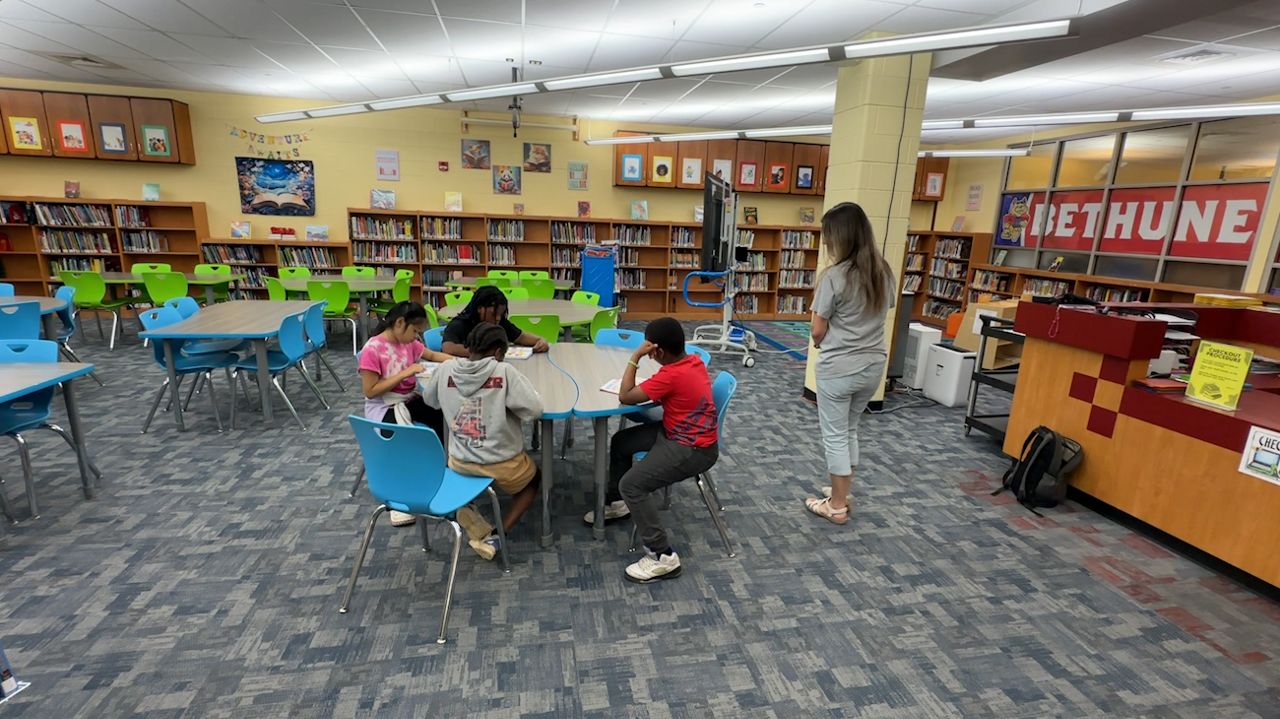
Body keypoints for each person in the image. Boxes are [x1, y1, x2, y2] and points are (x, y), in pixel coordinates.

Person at [585, 317, 718, 584]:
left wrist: (634, 357)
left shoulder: (670, 375)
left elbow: (625, 395)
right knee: (622, 442)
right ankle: (618, 504)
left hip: (691, 447)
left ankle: (662, 555)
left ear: (656, 351)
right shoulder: (691, 360)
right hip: (680, 432)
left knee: (633, 484)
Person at [804, 202, 895, 525]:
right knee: (850, 429)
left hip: (839, 368)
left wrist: (818, 343)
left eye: (829, 239)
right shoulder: (883, 271)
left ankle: (837, 505)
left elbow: (818, 327)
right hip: (872, 365)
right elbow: (886, 310)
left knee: (834, 435)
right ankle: (842, 490)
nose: (827, 245)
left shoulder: (834, 276)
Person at [424, 323, 544, 560]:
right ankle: (498, 535)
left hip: (460, 460)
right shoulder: (504, 372)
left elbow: (430, 400)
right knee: (534, 479)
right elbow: (534, 410)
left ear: (468, 346)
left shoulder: (446, 368)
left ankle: (465, 506)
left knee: (465, 473)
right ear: (499, 353)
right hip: (501, 462)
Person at [357, 301, 454, 527]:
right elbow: (370, 391)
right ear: (400, 323)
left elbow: (431, 355)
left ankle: (442, 471)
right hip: (383, 408)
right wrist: (406, 373)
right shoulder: (373, 349)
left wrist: (461, 362)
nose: (416, 337)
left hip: (407, 400)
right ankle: (398, 500)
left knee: (441, 415)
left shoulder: (409, 343)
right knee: (404, 438)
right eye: (414, 331)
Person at [441, 285, 549, 358]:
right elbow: (448, 348)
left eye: (500, 314)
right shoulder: (459, 324)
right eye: (494, 314)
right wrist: (486, 352)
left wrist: (540, 340)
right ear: (480, 308)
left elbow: (520, 337)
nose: (498, 318)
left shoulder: (498, 322)